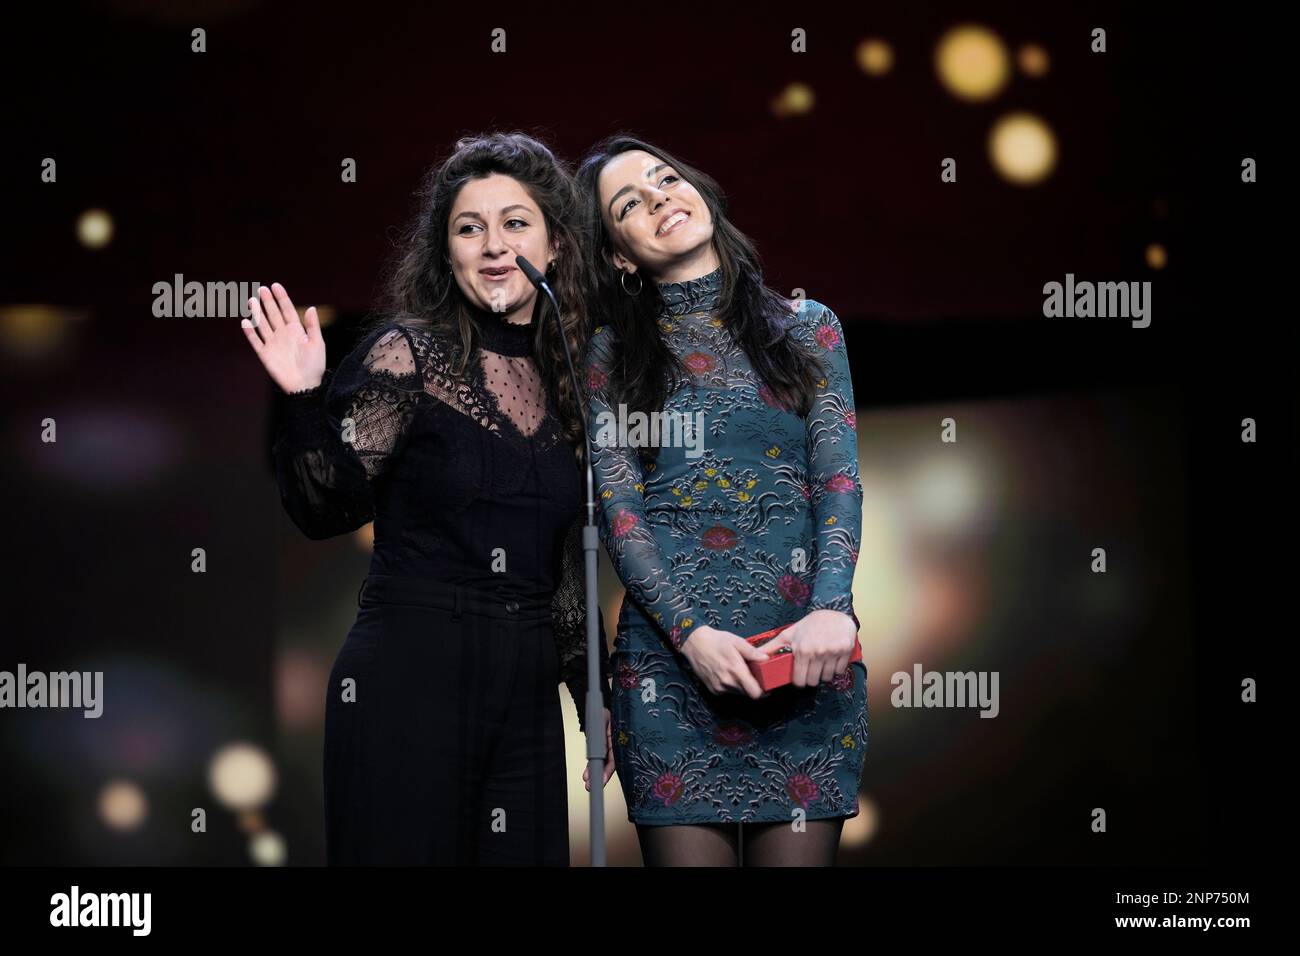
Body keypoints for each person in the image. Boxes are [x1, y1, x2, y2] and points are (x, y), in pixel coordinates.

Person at [240, 132, 613, 865]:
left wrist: (590, 691)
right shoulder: (410, 354)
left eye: (515, 222)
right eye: (469, 228)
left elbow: (565, 561)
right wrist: (305, 396)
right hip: (411, 672)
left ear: (558, 245)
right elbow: (327, 510)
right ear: (448, 256)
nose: (494, 244)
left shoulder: (573, 379)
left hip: (527, 687)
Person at [575, 135, 868, 866]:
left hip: (807, 657)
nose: (660, 199)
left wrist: (834, 608)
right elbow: (620, 511)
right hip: (671, 670)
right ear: (619, 254)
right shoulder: (611, 354)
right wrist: (690, 635)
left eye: (665, 178)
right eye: (630, 205)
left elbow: (837, 481)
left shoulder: (810, 327)